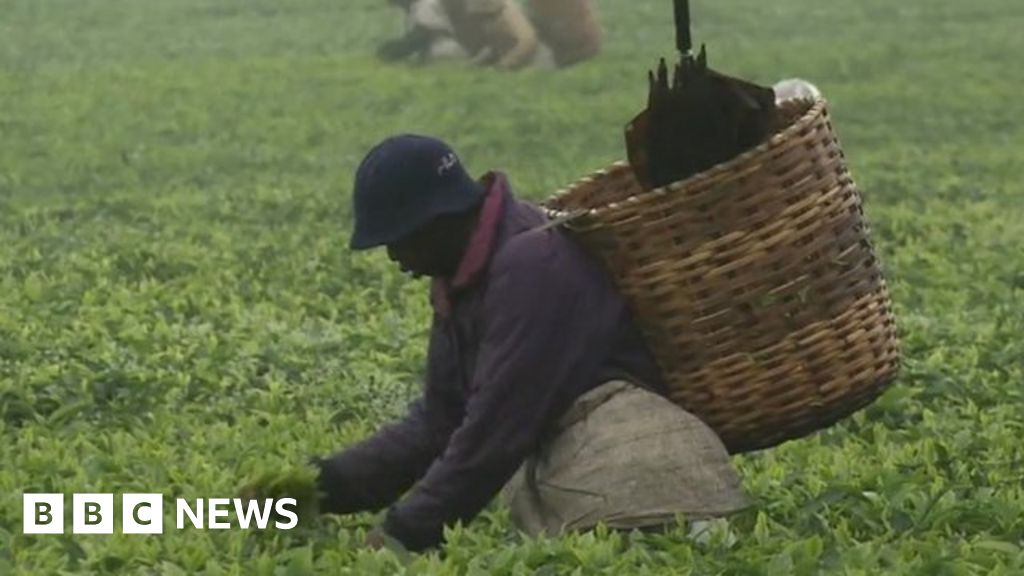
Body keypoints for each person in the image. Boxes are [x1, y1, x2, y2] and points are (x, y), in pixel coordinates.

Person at [308, 134, 749, 552]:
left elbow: (494, 429)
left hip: (642, 480)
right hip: (584, 481)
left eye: (397, 241)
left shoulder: (532, 264)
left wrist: (403, 532)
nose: (393, 258)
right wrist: (311, 490)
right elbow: (438, 422)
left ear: (434, 221)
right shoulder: (459, 281)